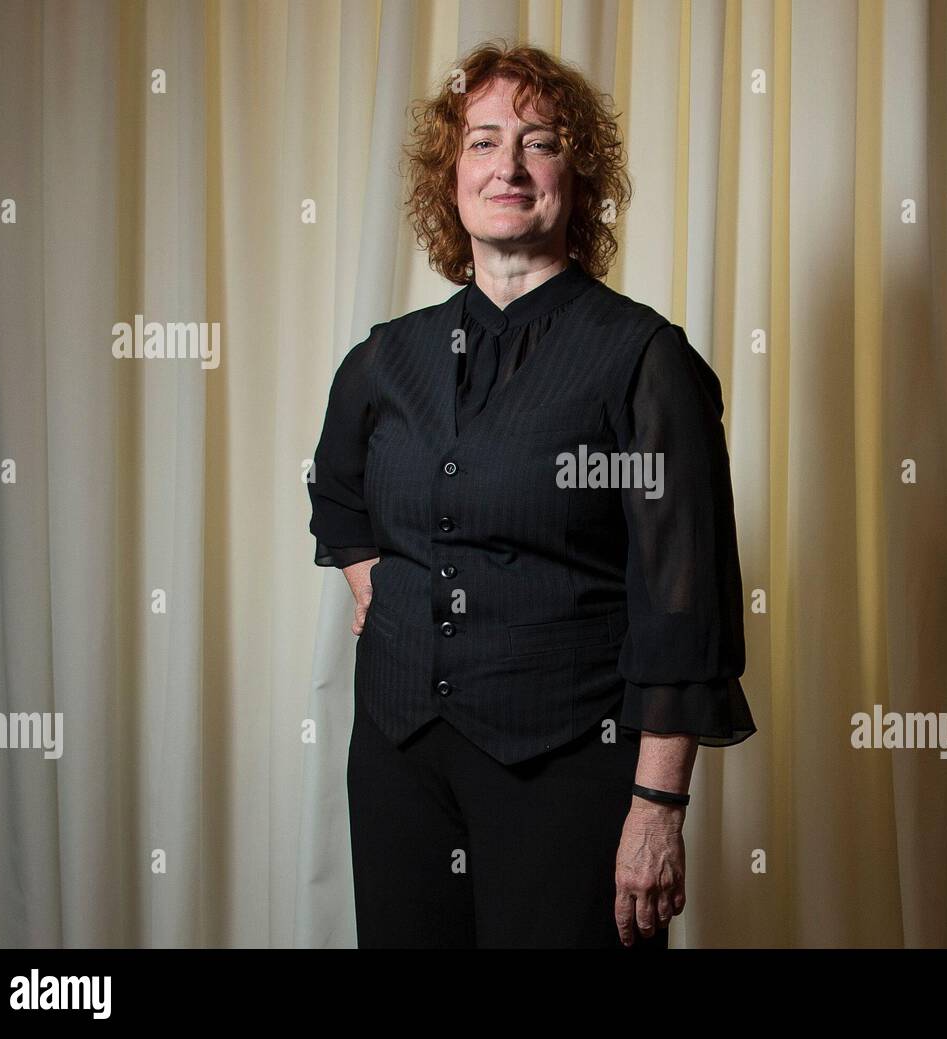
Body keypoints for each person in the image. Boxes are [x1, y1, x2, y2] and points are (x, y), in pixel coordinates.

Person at [307, 41, 755, 949]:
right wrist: (372, 584)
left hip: (567, 769)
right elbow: (338, 491)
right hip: (399, 763)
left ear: (575, 177)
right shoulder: (385, 358)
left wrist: (658, 805)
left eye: (538, 142)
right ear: (451, 178)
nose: (507, 165)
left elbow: (684, 605)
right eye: (481, 143)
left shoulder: (642, 360)